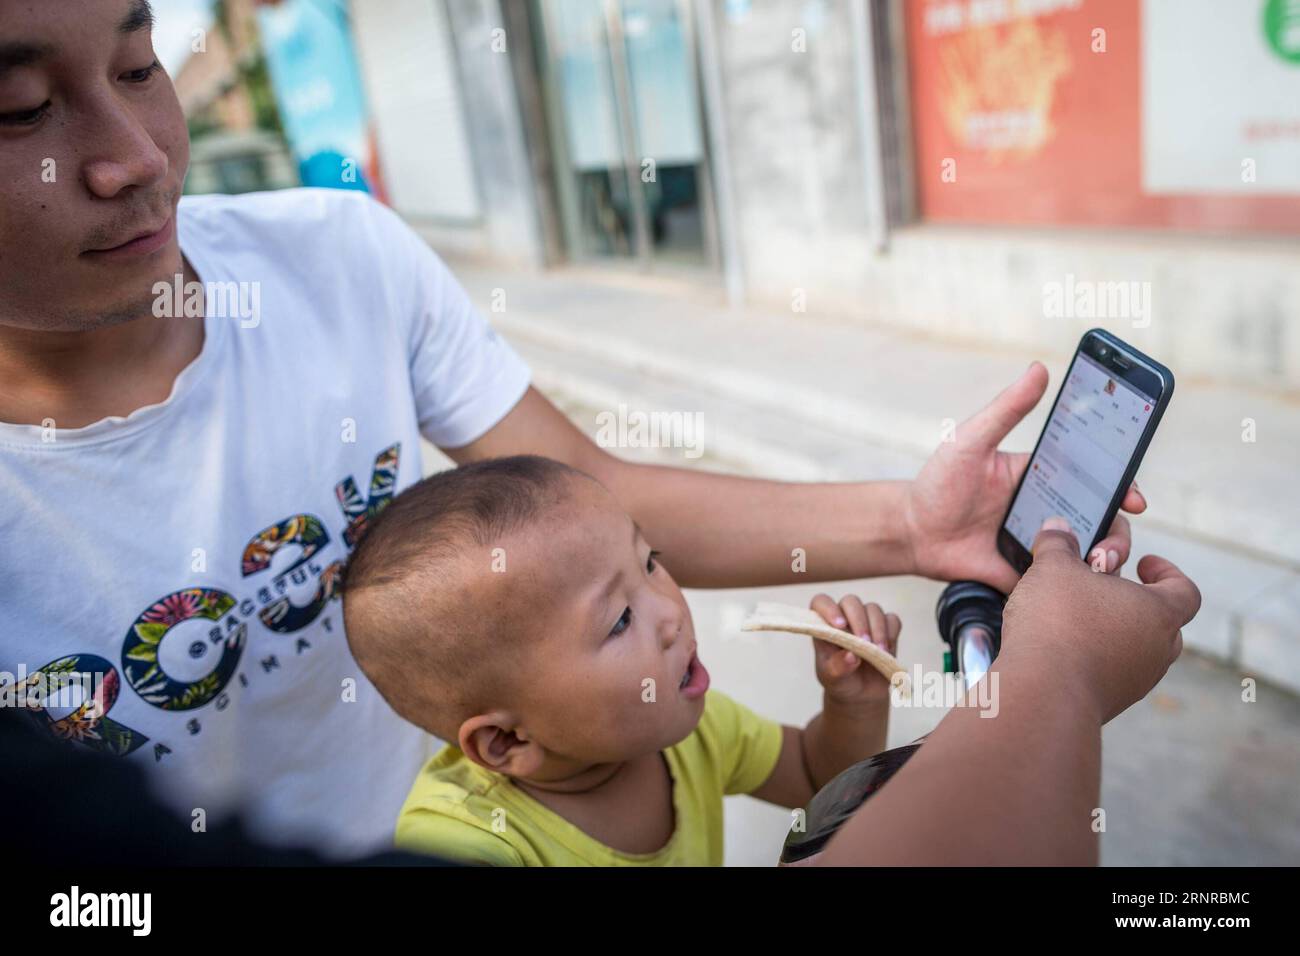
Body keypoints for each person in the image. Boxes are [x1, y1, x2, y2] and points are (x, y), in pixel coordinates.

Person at [0, 0, 1159, 860]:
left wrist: (915, 524)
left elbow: (584, 492)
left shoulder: (339, 256)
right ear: (494, 740)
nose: (137, 157)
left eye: (141, 63)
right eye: (22, 108)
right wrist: (1054, 674)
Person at [342, 455, 902, 866]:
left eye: (650, 562)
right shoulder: (466, 844)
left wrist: (851, 704)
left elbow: (814, 777)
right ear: (508, 742)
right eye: (619, 621)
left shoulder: (689, 732)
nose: (670, 613)